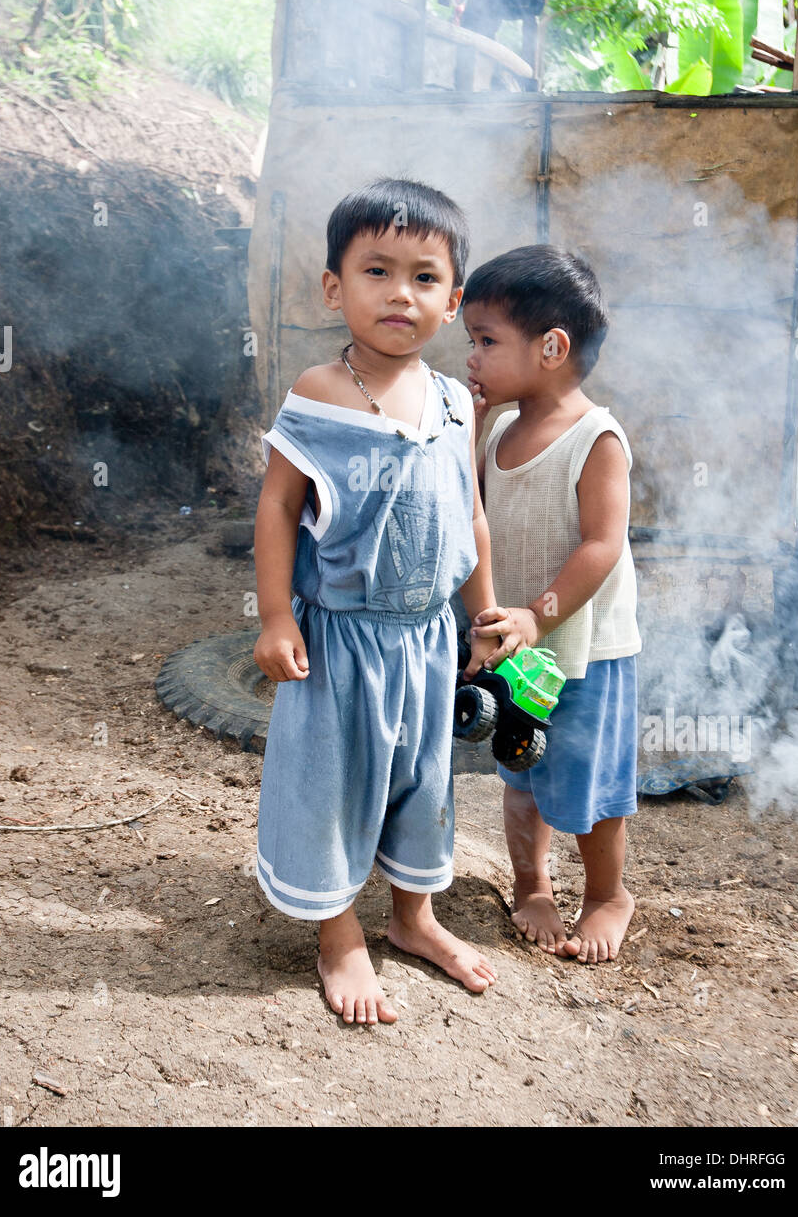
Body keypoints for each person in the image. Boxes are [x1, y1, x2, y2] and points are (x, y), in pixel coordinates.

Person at [253, 177, 502, 1025]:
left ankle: (413, 918)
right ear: (334, 287)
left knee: (422, 779)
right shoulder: (319, 393)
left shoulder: (456, 401)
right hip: (343, 643)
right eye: (377, 271)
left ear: (454, 300)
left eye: (425, 277)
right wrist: (279, 616)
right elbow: (280, 509)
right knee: (332, 782)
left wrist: (487, 611)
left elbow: (469, 512)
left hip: (428, 640)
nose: (401, 293)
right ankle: (339, 935)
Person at [462, 245, 642, 964]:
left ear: (552, 347)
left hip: (585, 654)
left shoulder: (595, 439)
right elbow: (468, 507)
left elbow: (601, 545)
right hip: (516, 651)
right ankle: (531, 882)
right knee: (521, 770)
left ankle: (606, 895)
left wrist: (539, 613)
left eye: (485, 341)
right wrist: (470, 432)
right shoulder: (501, 429)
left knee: (589, 788)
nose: (470, 357)